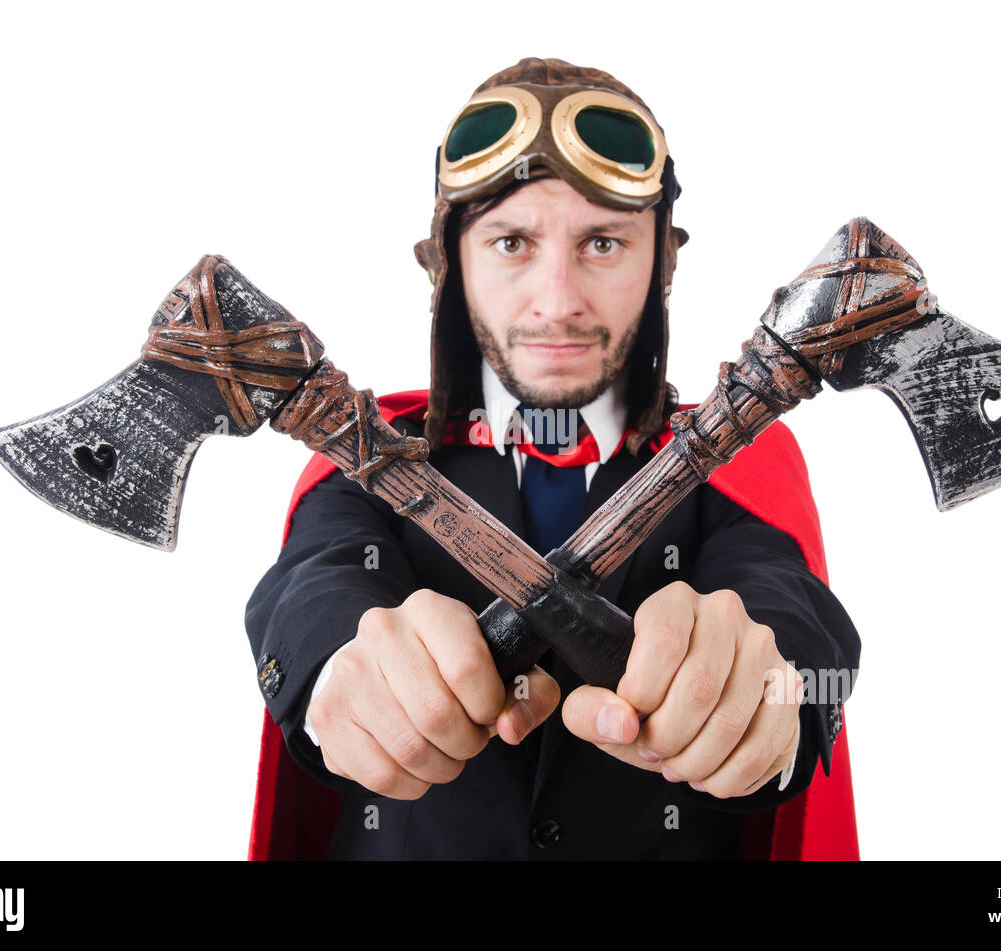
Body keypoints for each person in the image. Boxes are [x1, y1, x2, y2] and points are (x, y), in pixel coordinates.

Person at [244, 57, 861, 860]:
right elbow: (311, 591)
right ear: (448, 264)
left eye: (603, 241)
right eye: (511, 242)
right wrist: (342, 670)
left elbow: (795, 624)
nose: (558, 299)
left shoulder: (736, 471)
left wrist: (769, 692)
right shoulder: (369, 467)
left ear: (661, 261)